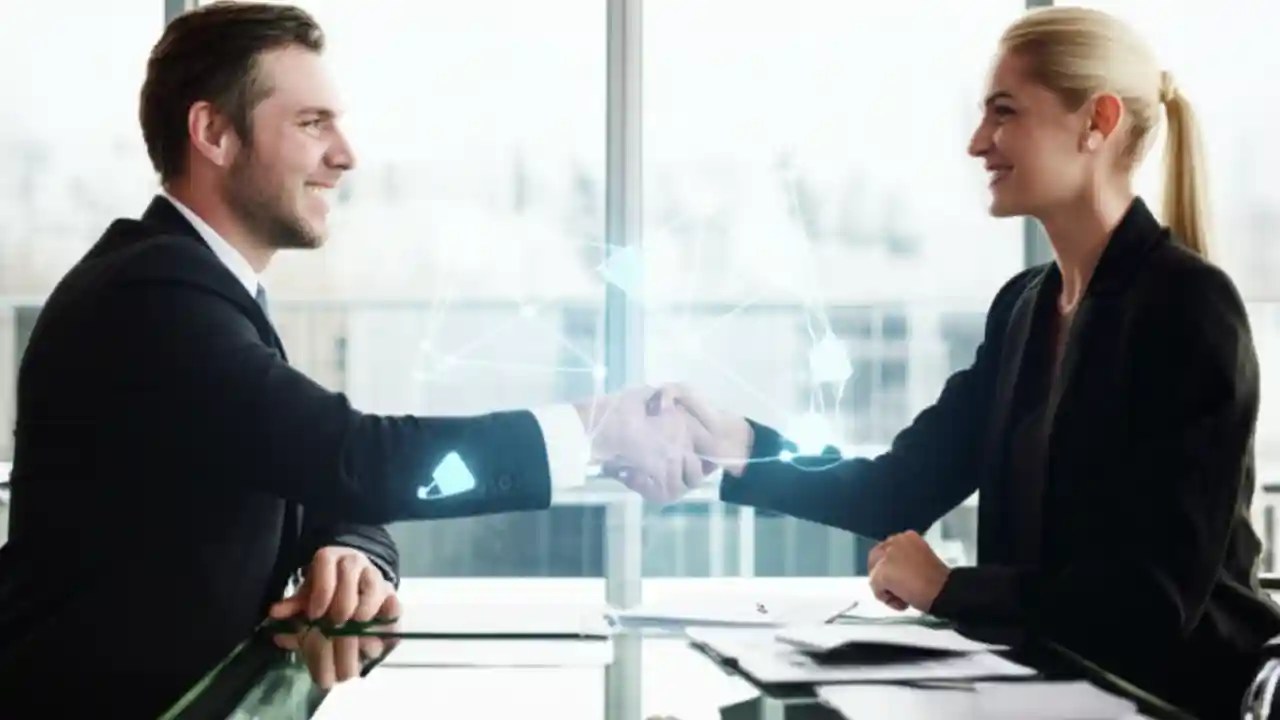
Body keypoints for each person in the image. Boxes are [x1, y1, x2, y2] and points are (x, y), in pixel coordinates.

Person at [0, 3, 698, 715]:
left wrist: (354, 554)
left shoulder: (201, 288)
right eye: (312, 124)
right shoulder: (153, 297)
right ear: (213, 132)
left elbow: (309, 471)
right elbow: (355, 458)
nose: (346, 155)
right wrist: (598, 431)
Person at [661, 6, 1280, 717]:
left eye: (1003, 112)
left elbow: (1146, 604)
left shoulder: (1189, 307)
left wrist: (950, 589)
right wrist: (742, 450)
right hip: (1044, 695)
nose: (977, 142)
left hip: (1173, 701)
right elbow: (896, 489)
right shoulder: (1023, 307)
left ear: (1097, 122)